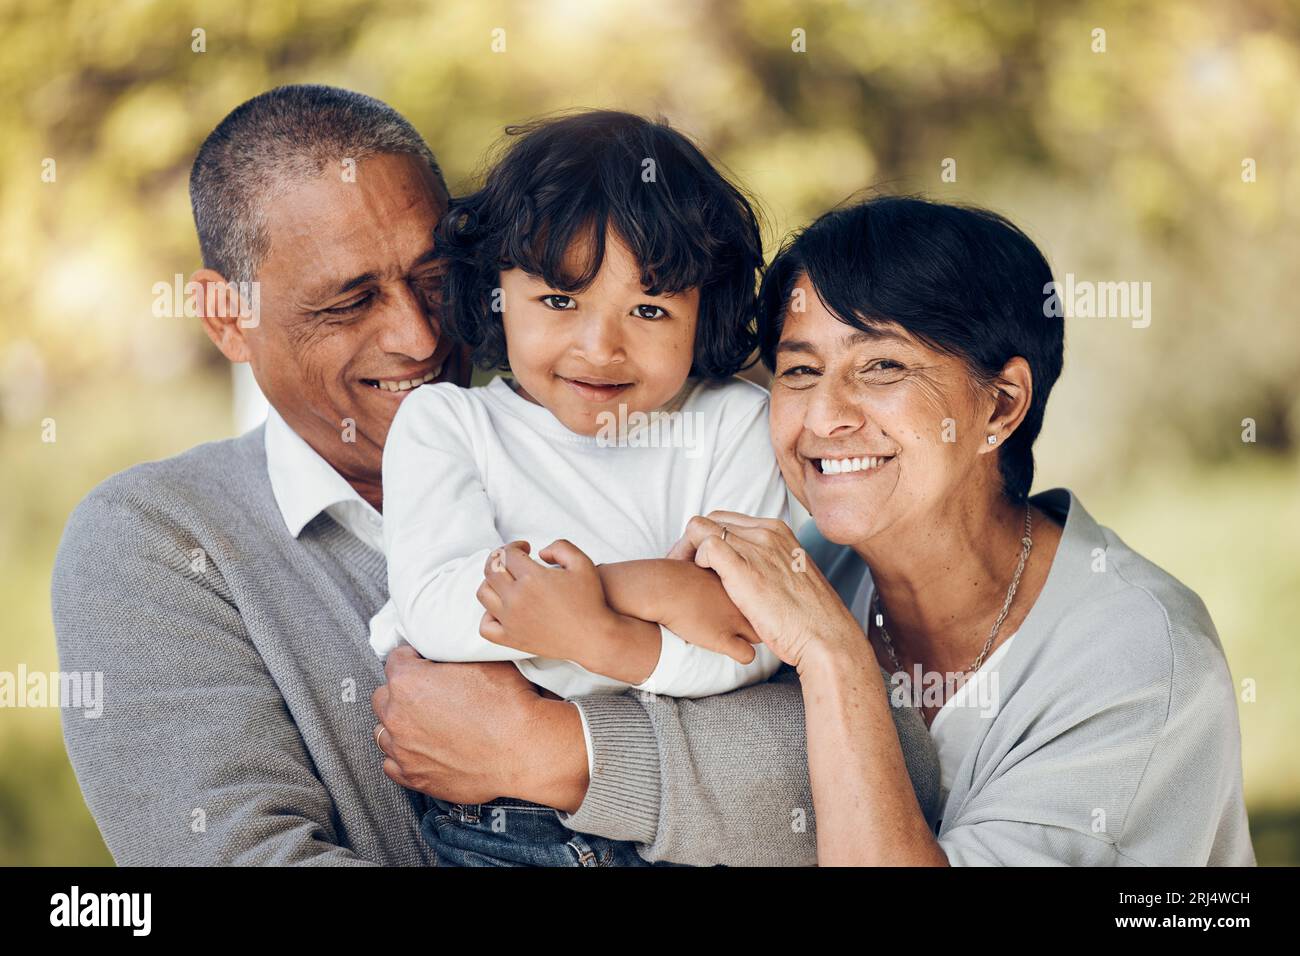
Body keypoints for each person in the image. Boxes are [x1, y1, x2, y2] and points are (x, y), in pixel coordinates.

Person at [51, 85, 941, 866]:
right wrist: (656, 610)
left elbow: (888, 780)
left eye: (435, 281)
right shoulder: (158, 544)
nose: (420, 337)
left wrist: (551, 747)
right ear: (228, 317)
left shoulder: (727, 434)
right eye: (349, 300)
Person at [668, 196, 1256, 865]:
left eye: (882, 366)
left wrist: (833, 656)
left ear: (1001, 406)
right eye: (801, 370)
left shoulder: (1140, 659)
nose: (824, 415)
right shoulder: (804, 574)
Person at [370, 110, 793, 865]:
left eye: (651, 309)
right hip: (501, 828)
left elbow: (752, 646)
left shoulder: (735, 425)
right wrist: (655, 590)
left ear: (708, 313)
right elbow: (434, 612)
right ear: (494, 289)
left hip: (696, 819)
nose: (600, 347)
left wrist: (597, 635)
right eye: (560, 301)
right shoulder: (446, 424)